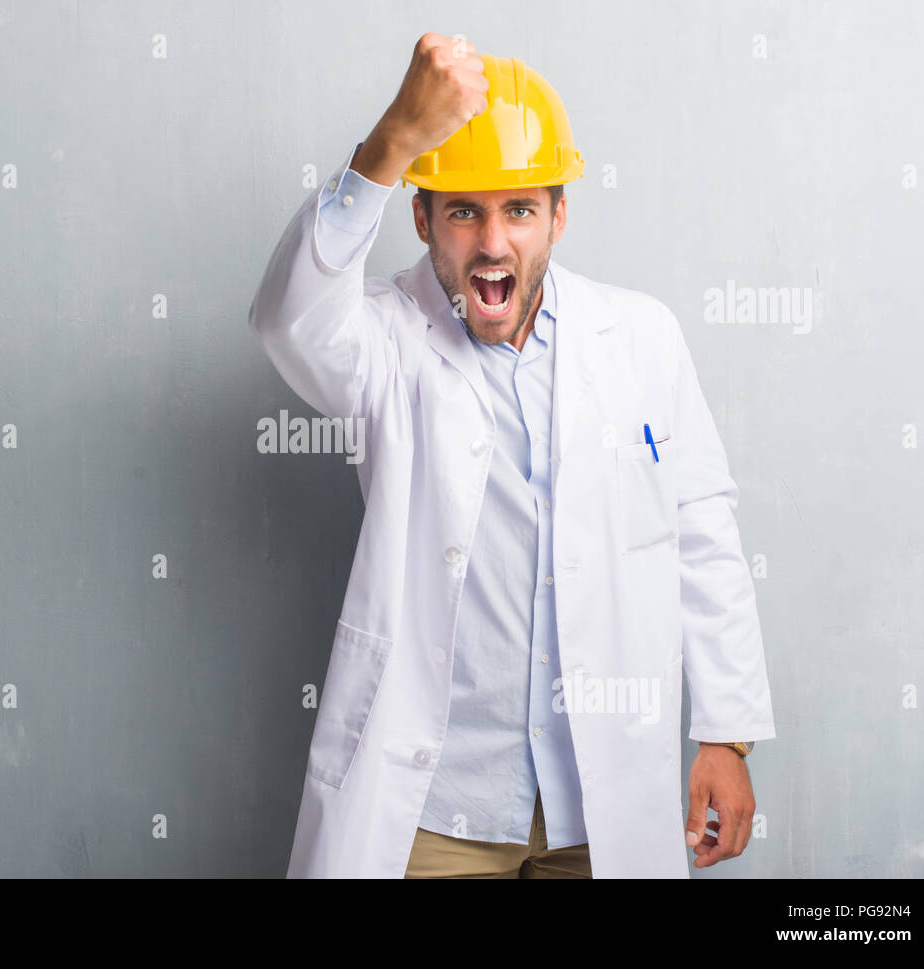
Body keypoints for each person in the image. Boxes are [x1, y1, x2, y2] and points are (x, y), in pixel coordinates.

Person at [248, 33, 775, 878]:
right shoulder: (385, 338)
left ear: (559, 216)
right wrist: (392, 142)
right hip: (435, 809)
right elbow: (287, 321)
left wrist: (726, 731)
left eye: (520, 210)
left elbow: (702, 534)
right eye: (463, 210)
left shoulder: (640, 337)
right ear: (421, 218)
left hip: (597, 808)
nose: (493, 243)